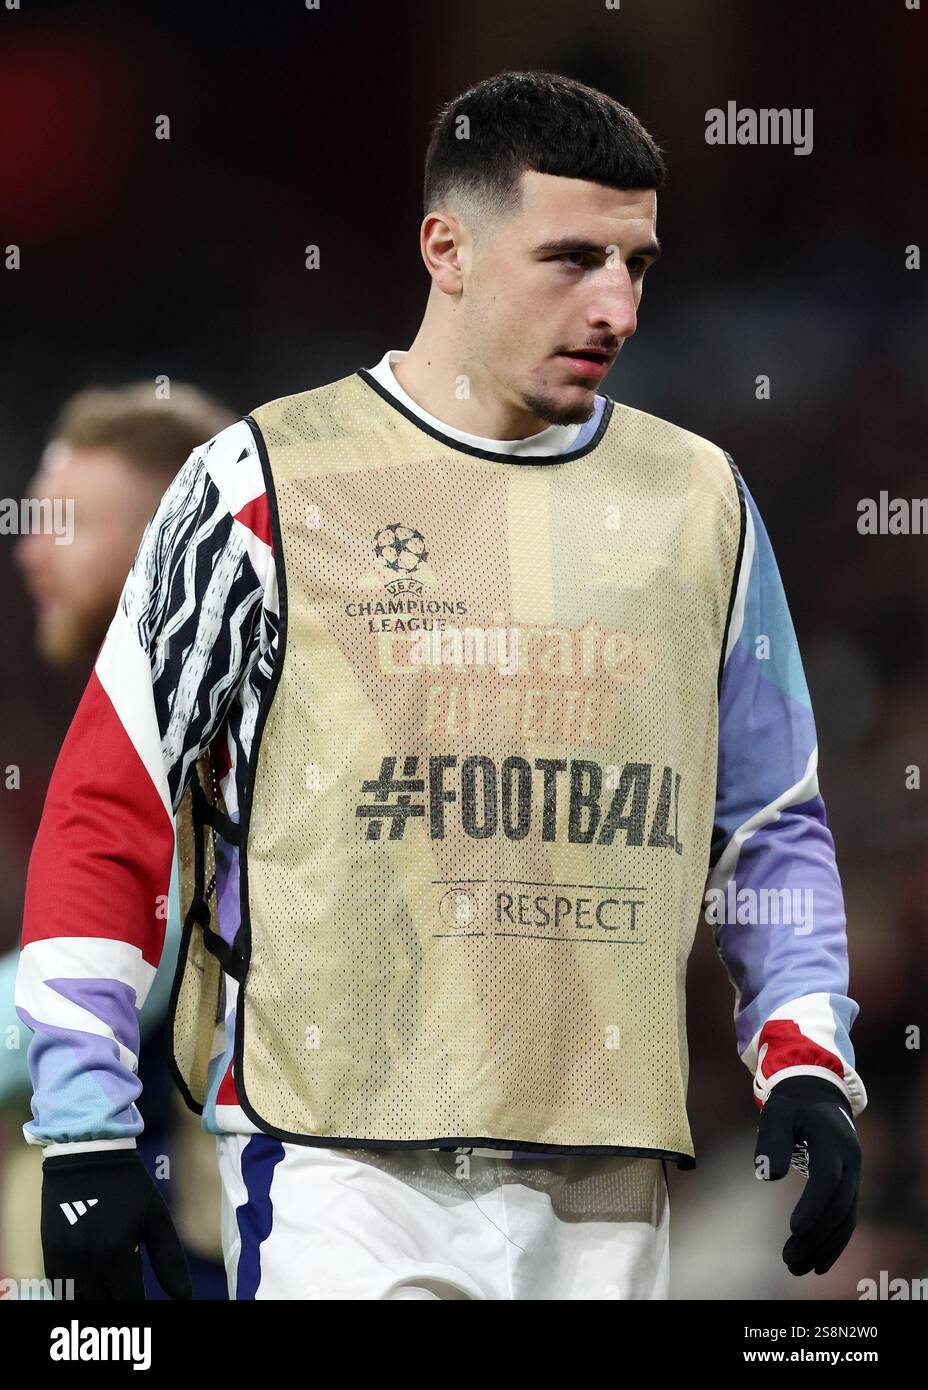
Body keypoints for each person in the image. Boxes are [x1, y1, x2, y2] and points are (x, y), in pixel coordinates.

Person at [16, 71, 865, 1302]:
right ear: (446, 247)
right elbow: (111, 806)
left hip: (610, 1175)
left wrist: (803, 1059)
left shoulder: (703, 507)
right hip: (337, 1171)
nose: (616, 304)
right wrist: (86, 1127)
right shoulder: (259, 485)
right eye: (572, 258)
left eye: (638, 263)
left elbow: (769, 821)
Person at [6, 382, 232, 1298]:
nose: (28, 553)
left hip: (224, 1249)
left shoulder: (224, 745)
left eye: (65, 523)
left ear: (159, 550)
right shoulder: (108, 733)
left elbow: (169, 941)